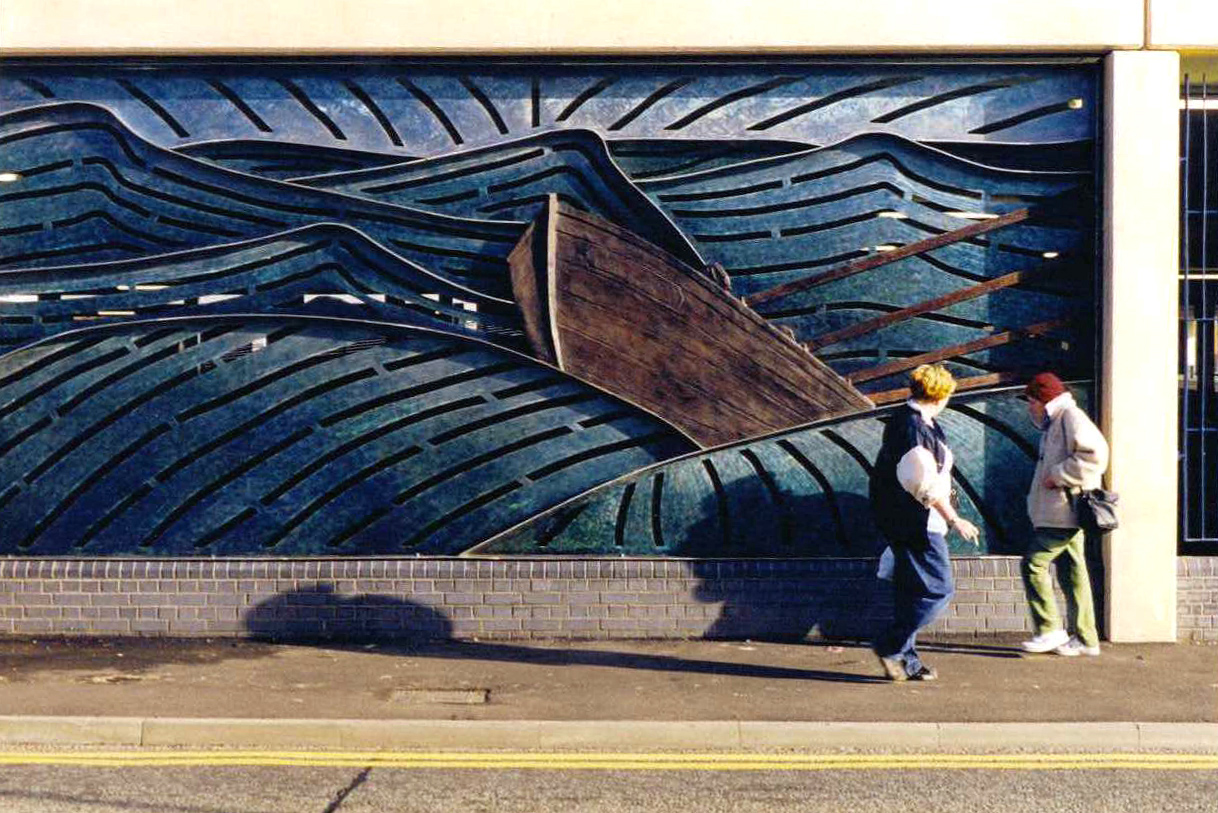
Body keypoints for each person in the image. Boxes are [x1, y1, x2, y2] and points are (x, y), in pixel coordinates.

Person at [869, 364, 981, 682]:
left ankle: (908, 662)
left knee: (912, 593)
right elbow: (924, 485)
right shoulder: (913, 429)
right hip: (918, 523)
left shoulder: (919, 422)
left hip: (911, 521)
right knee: (938, 590)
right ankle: (890, 645)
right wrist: (955, 518)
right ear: (941, 396)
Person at [1019, 372, 1109, 657]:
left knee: (1033, 564)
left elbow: (1095, 455)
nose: (1028, 407)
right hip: (1062, 510)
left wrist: (1057, 475)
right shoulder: (1058, 420)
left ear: (1043, 400)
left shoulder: (1070, 417)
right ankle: (1086, 638)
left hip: (1063, 512)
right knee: (1073, 573)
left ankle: (1049, 629)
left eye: (1031, 401)